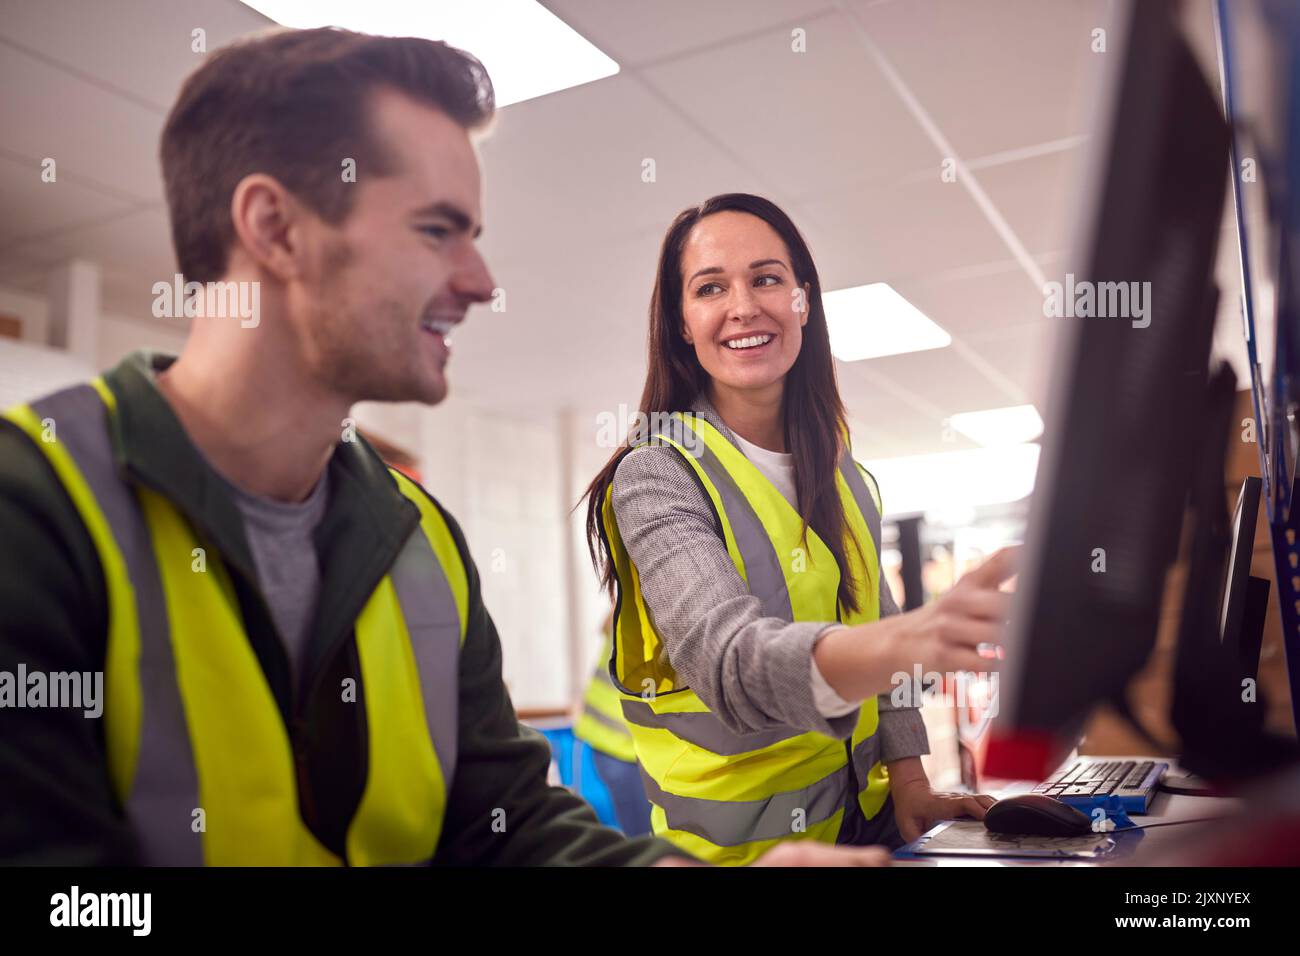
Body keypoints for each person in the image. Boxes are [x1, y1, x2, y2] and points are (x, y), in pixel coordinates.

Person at [0, 28, 890, 867]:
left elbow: (507, 828)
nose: (480, 280)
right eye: (437, 230)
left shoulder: (420, 540)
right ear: (274, 228)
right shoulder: (34, 508)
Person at [583, 193, 1014, 865]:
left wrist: (911, 783)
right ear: (682, 324)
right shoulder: (656, 474)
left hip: (869, 824)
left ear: (804, 301)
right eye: (710, 288)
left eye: (766, 278)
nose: (743, 305)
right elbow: (732, 662)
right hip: (746, 856)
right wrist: (909, 640)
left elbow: (878, 617)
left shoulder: (847, 475)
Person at [570, 613, 653, 835]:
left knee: (643, 834)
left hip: (614, 746)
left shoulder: (630, 608)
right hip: (621, 749)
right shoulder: (646, 618)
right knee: (645, 836)